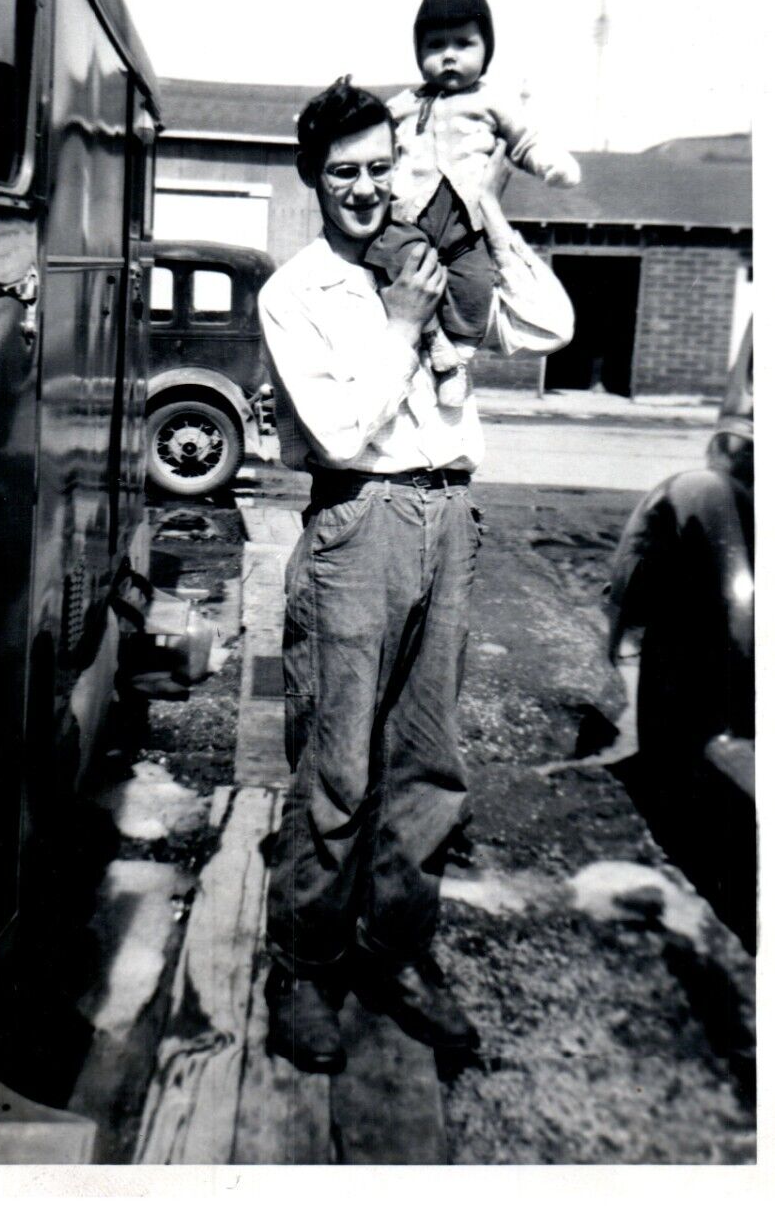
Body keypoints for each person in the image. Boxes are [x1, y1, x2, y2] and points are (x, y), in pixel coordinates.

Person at [259, 77, 575, 1073]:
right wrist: (399, 322)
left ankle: (394, 954)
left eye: (378, 167)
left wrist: (478, 213)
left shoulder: (430, 253)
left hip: (448, 516)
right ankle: (303, 966)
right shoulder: (294, 290)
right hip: (360, 524)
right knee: (337, 765)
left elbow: (548, 324)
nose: (363, 188)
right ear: (313, 179)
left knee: (429, 764)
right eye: (342, 172)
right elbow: (342, 432)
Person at [363, 0, 580, 407]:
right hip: (411, 215)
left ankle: (456, 359)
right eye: (435, 45)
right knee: (398, 265)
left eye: (464, 44)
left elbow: (524, 138)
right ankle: (433, 341)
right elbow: (370, 132)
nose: (449, 55)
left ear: (486, 50)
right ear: (418, 51)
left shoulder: (493, 101)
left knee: (474, 283)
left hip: (467, 221)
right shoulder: (404, 104)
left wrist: (548, 164)